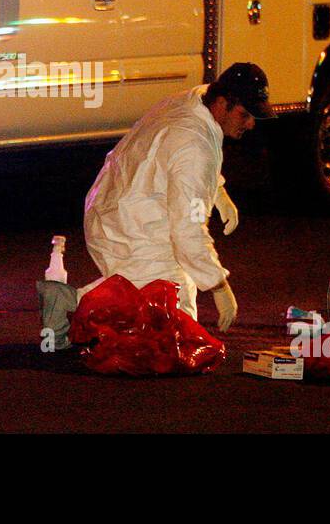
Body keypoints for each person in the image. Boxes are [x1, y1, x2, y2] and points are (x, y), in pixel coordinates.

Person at [38, 63, 274, 350]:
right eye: (244, 115)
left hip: (117, 202)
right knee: (175, 318)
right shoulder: (194, 144)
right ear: (222, 104)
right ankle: (73, 308)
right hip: (131, 222)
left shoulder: (196, 98)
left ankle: (68, 306)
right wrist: (218, 285)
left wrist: (218, 191)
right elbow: (188, 229)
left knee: (142, 289)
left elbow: (181, 164)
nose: (250, 124)